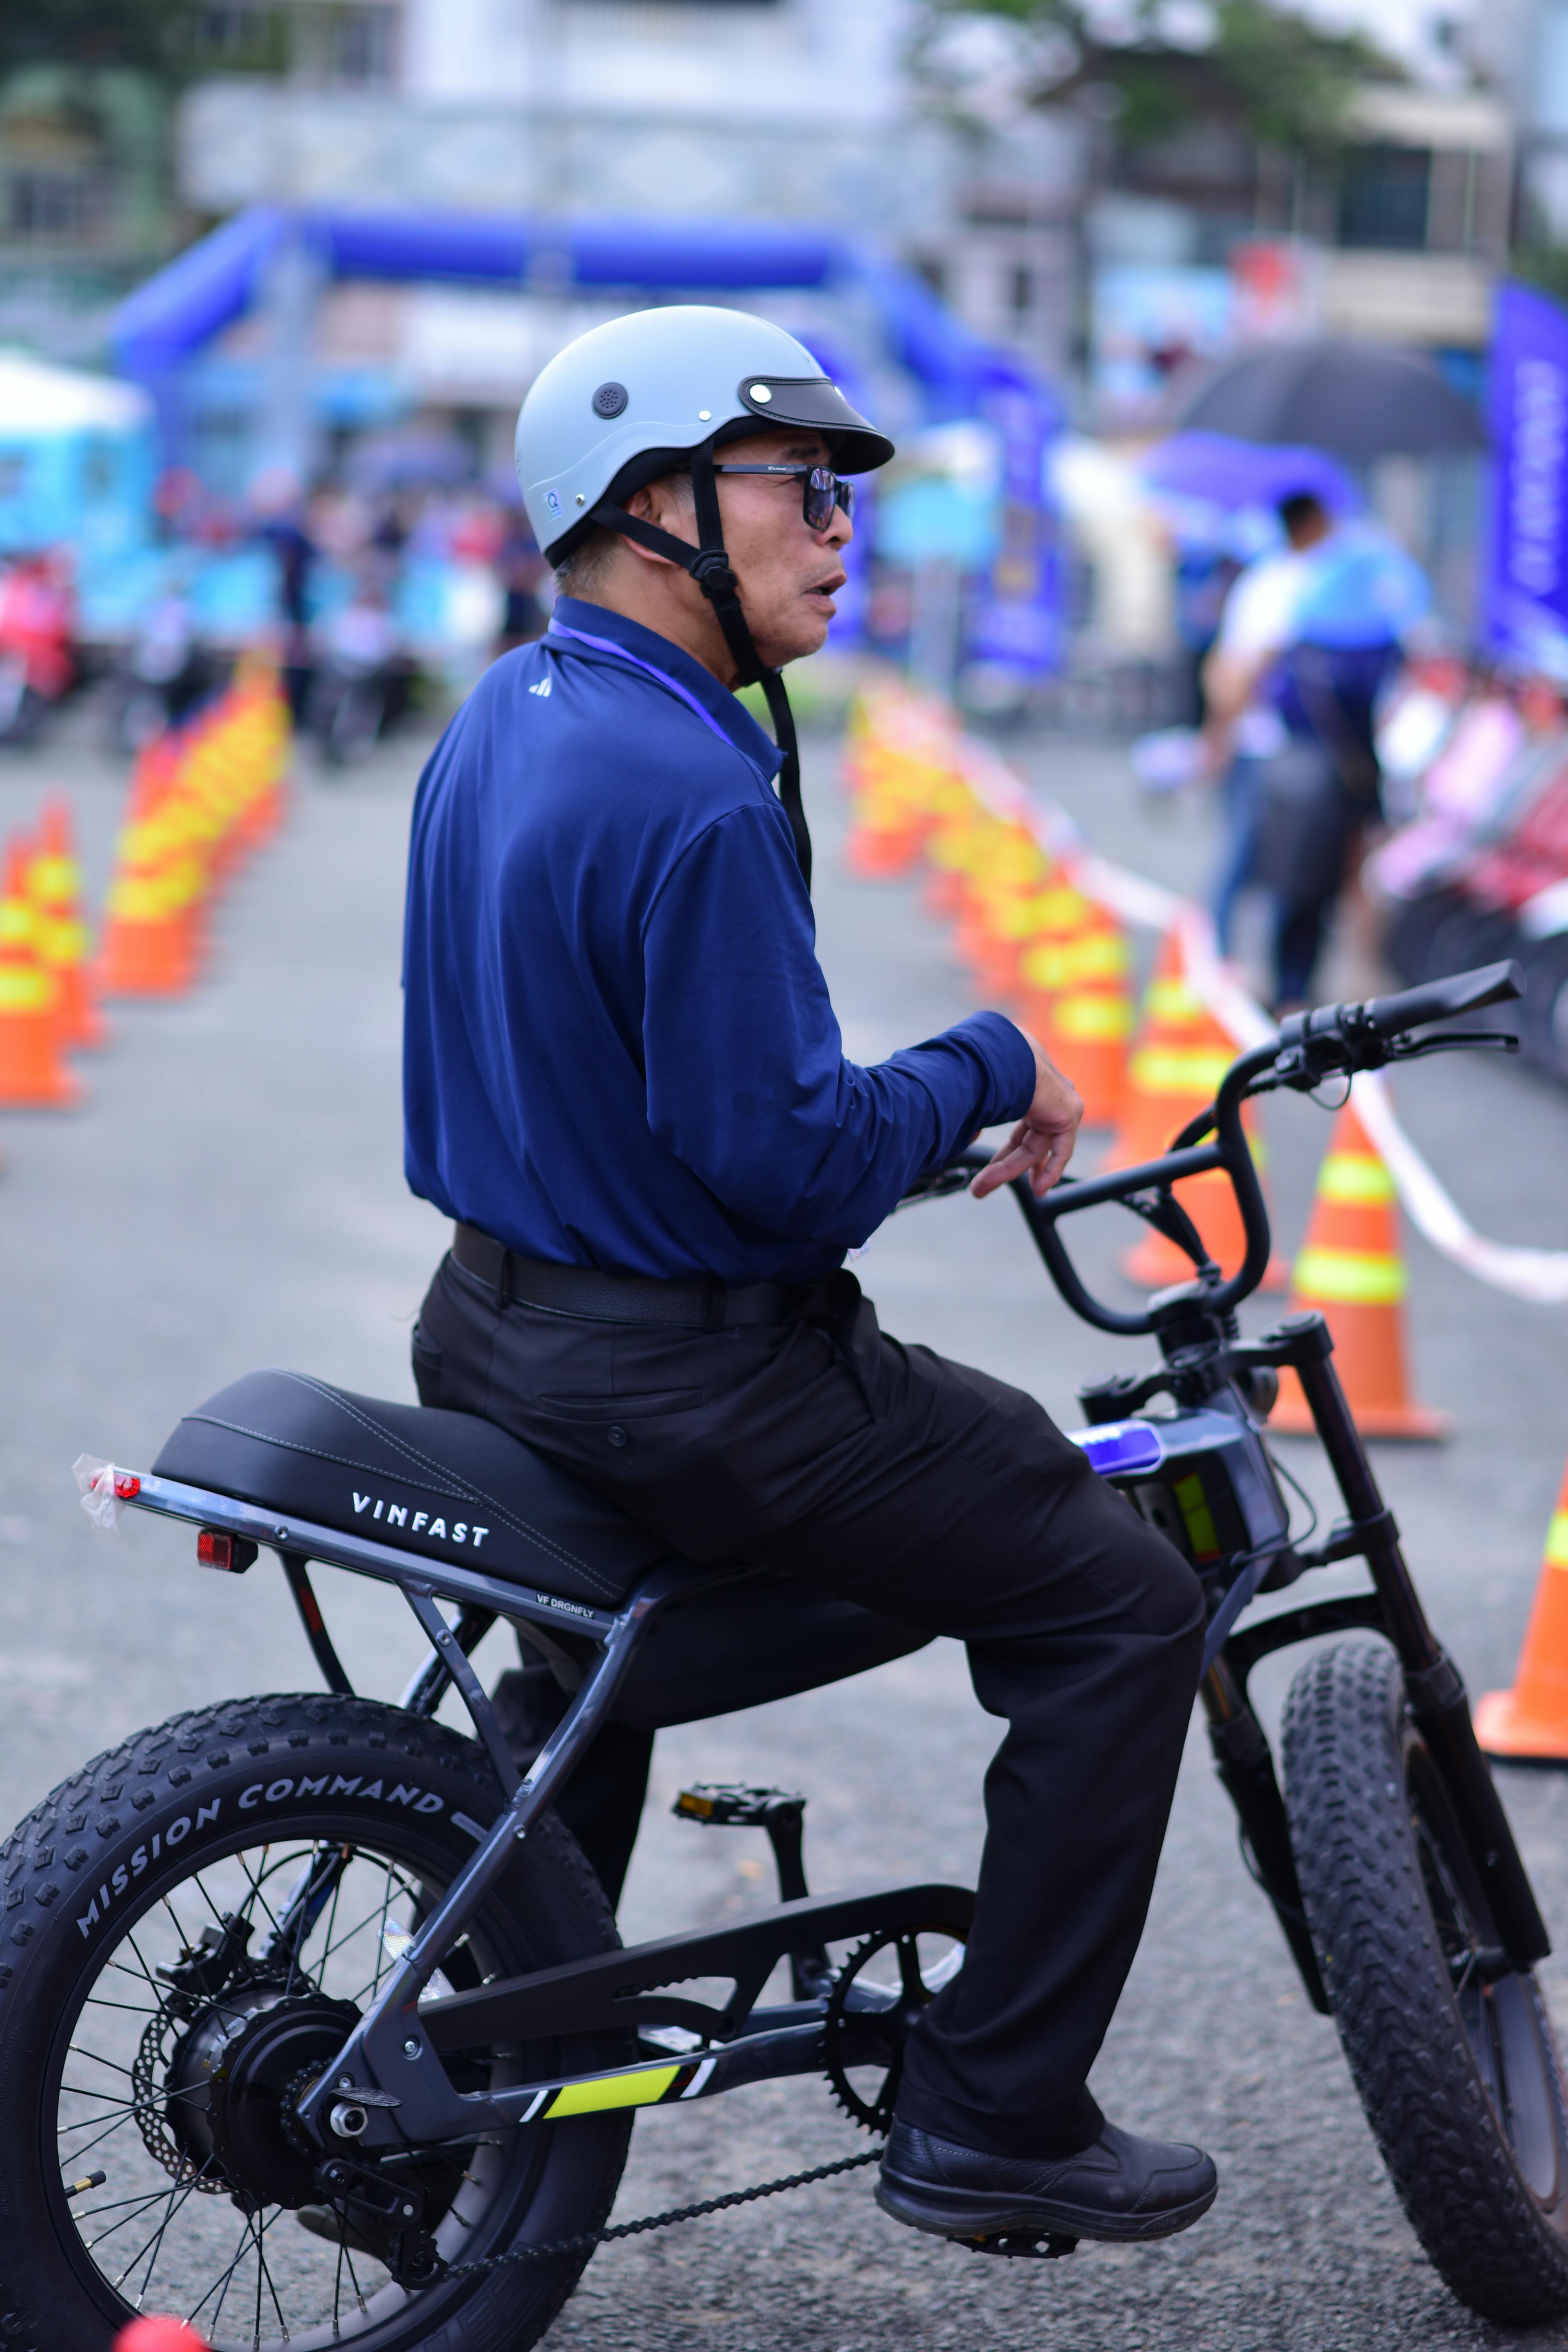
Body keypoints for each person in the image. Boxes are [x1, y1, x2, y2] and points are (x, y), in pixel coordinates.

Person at [401, 305, 1213, 2251]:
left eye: (843, 493)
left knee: (589, 1671)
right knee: (1116, 1595)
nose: (843, 528)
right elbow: (780, 1170)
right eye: (801, 484)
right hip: (700, 1383)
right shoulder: (684, 792)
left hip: (489, 1328)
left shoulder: (504, 715)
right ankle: (996, 2112)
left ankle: (480, 2096)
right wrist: (988, 1064)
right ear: (654, 505)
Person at [1204, 490, 1429, 1008]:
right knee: (1302, 876)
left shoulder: (1284, 582)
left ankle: (1247, 976)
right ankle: (1279, 981)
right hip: (1324, 758)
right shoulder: (1316, 583)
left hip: (1284, 753)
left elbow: (1235, 672)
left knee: (1276, 872)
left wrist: (1218, 734)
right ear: (1312, 522)